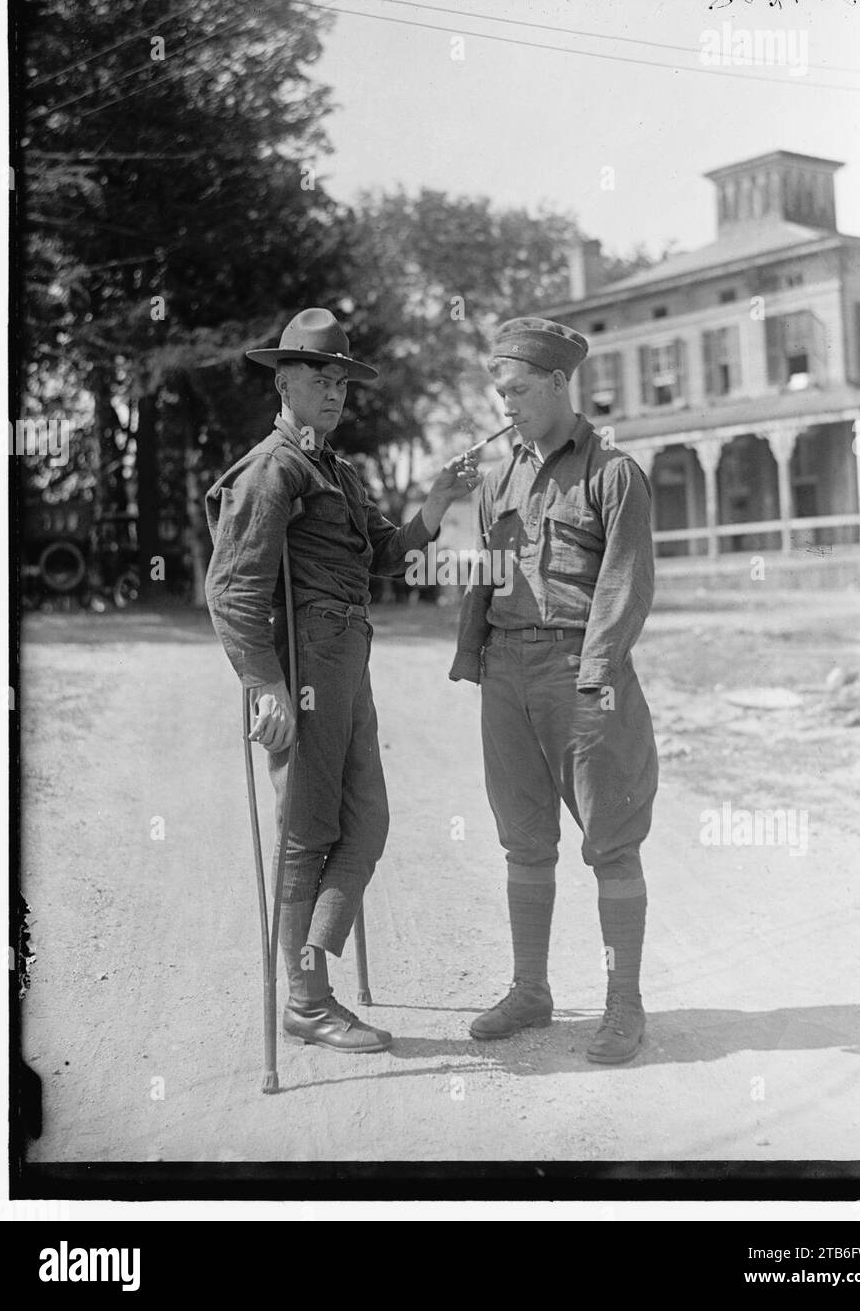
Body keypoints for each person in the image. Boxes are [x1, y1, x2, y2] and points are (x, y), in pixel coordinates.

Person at [205, 307, 479, 1054]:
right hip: (303, 667)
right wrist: (264, 688)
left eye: (342, 382)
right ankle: (306, 999)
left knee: (369, 822)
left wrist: (435, 505)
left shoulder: (337, 470)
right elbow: (232, 591)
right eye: (319, 379)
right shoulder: (273, 470)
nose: (334, 393)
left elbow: (386, 557)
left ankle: (311, 968)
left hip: (349, 657)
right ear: (285, 381)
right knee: (306, 832)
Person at [449, 317, 659, 1063]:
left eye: (517, 391)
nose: (505, 406)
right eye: (499, 393)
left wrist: (596, 676)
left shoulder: (613, 473)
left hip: (581, 673)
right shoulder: (498, 477)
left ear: (560, 383)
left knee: (611, 842)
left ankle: (623, 1004)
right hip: (507, 672)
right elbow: (485, 574)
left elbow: (626, 585)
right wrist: (475, 659)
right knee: (524, 840)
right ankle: (530, 990)